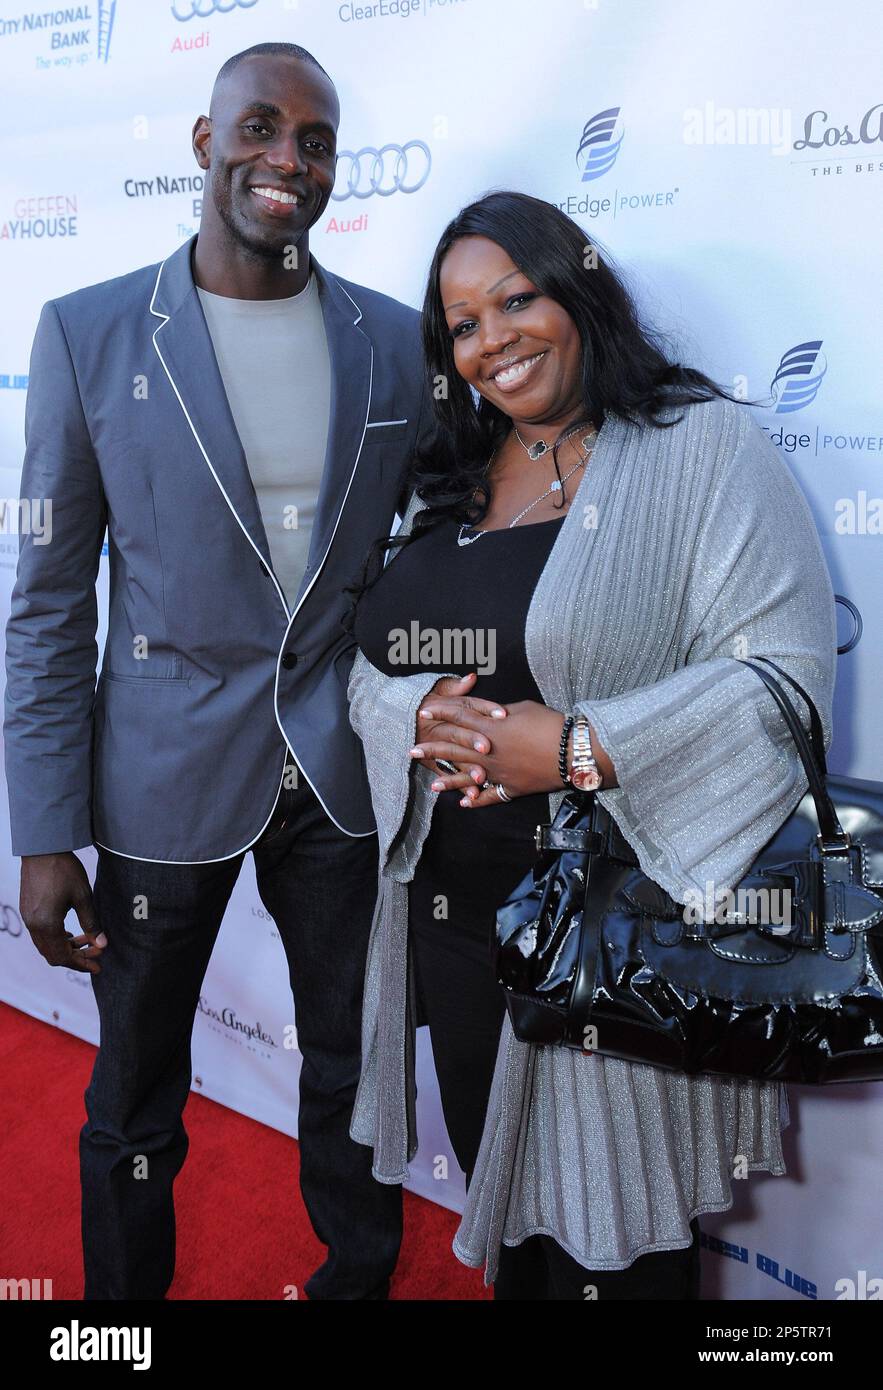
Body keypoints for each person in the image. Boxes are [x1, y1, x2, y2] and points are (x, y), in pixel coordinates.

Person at [344, 190, 837, 1299]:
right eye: (462, 324)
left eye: (516, 298)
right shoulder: (443, 477)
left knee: (617, 1258)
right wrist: (411, 713)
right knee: (511, 1233)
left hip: (616, 928)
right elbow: (359, 661)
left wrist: (577, 748)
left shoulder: (698, 447)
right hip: (456, 929)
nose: (493, 339)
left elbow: (785, 676)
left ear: (579, 289)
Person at [3, 42, 435, 1300]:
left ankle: (354, 1283)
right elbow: (44, 607)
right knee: (134, 1091)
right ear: (205, 145)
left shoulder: (397, 346)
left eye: (314, 142)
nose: (285, 160)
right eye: (259, 128)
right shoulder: (86, 336)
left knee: (354, 1074)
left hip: (341, 776)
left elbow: (440, 545)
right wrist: (44, 832)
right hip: (159, 779)